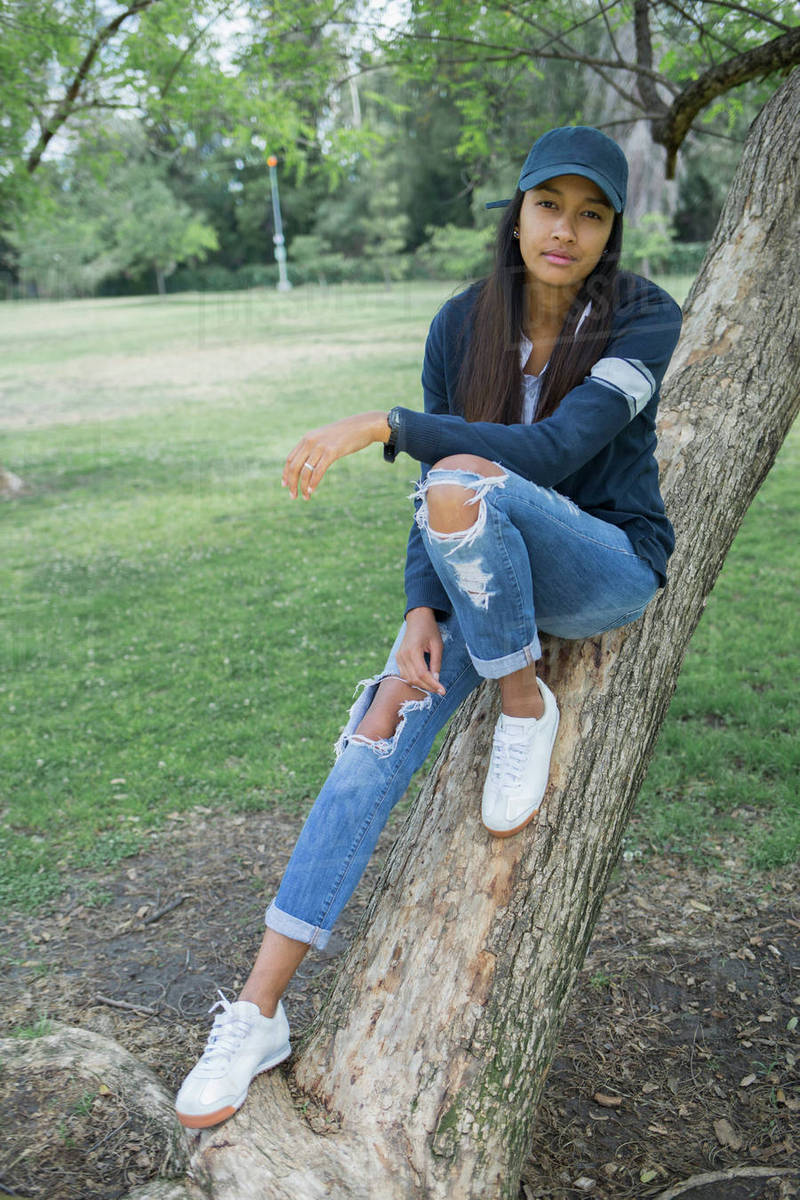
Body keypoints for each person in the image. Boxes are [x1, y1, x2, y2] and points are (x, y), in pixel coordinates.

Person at [174, 125, 682, 1129]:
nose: (564, 230)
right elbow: (436, 503)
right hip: (475, 576)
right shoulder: (461, 324)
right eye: (548, 205)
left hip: (599, 568)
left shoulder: (642, 320)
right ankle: (257, 1015)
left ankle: (518, 702)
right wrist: (417, 610)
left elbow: (546, 450)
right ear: (519, 210)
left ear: (611, 228)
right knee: (375, 730)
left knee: (461, 476)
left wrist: (384, 424)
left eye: (589, 214)